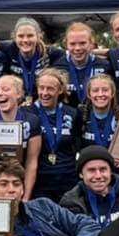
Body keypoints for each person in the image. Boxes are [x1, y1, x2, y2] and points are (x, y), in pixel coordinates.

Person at [0, 74, 41, 198]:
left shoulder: (32, 120)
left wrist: (26, 197)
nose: (0, 93)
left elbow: (32, 162)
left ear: (19, 94)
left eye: (5, 89)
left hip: (18, 181)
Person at [32, 68, 81, 202]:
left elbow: (77, 143)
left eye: (50, 89)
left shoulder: (73, 113)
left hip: (67, 177)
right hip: (40, 179)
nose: (44, 93)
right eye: (41, 88)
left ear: (60, 90)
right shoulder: (27, 112)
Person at [59, 146, 119, 226]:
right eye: (91, 170)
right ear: (81, 174)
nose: (98, 176)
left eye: (103, 169)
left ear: (111, 172)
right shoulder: (72, 202)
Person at [0, 17, 64, 100]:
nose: (25, 40)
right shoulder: (7, 48)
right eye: (20, 36)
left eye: (30, 36)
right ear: (14, 37)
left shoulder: (52, 53)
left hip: (42, 101)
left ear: (39, 36)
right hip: (17, 102)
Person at [60, 21, 108, 108]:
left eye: (82, 43)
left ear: (91, 44)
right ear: (66, 45)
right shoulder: (58, 67)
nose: (77, 48)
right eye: (72, 44)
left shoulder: (105, 66)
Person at [78, 73, 119, 150]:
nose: (100, 94)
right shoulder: (80, 116)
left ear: (112, 93)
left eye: (105, 90)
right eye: (95, 90)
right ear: (89, 94)